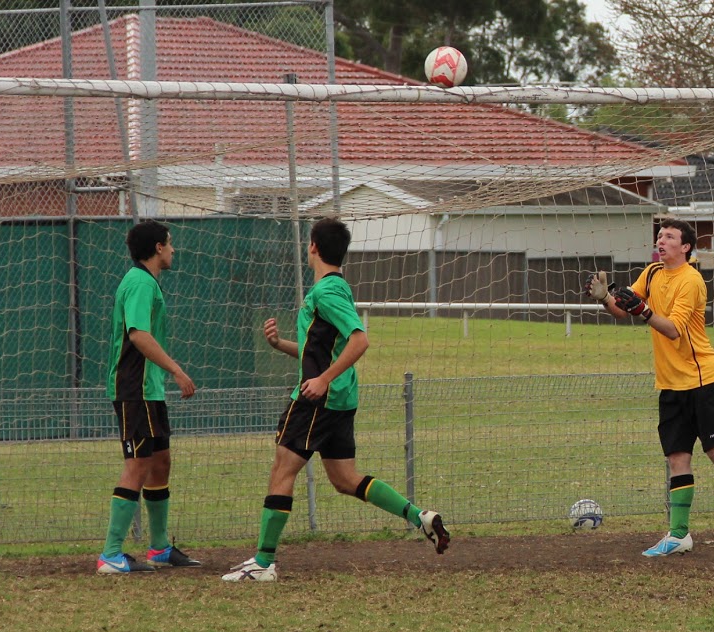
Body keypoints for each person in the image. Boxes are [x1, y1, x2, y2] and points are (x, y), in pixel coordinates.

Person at [224, 219, 450, 582]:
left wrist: (322, 379)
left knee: (282, 470)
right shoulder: (337, 288)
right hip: (340, 399)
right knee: (345, 479)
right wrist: (281, 345)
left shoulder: (325, 293)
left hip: (318, 400)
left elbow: (360, 340)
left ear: (312, 246)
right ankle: (419, 517)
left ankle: (263, 563)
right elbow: (324, 351)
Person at [585, 219, 714, 557]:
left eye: (670, 237)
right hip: (670, 383)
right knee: (677, 457)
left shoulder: (691, 280)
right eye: (659, 236)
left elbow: (673, 329)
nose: (661, 241)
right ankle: (678, 535)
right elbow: (623, 310)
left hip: (703, 379)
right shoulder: (651, 273)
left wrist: (643, 311)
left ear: (686, 247)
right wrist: (605, 299)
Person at [98, 220, 201, 574]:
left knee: (160, 461)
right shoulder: (140, 282)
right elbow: (139, 335)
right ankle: (111, 555)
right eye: (170, 243)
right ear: (158, 247)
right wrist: (177, 370)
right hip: (134, 389)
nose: (173, 250)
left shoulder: (147, 282)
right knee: (138, 465)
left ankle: (159, 548)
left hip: (149, 390)